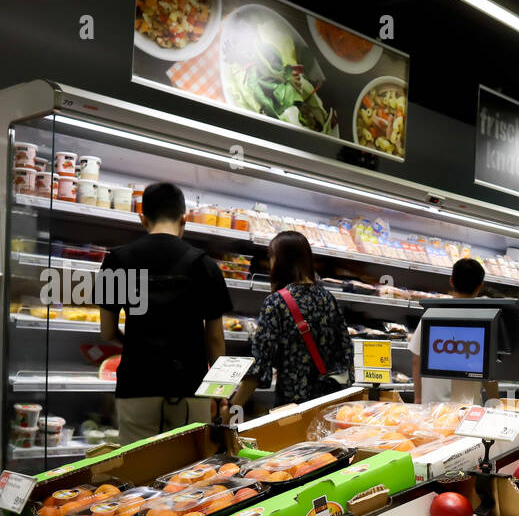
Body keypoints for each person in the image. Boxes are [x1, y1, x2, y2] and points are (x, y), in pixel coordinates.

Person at [99, 182, 233, 444]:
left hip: (137, 386)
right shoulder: (204, 265)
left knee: (139, 471)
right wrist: (221, 393)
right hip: (190, 389)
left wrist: (134, 343)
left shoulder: (118, 261)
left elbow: (107, 332)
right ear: (184, 219)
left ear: (142, 219)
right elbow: (215, 339)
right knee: (189, 476)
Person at [232, 230, 352, 411]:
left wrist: (232, 407)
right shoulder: (328, 298)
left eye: (272, 258)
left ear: (281, 262)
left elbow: (259, 368)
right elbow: (346, 351)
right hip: (328, 404)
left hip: (291, 407)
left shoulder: (276, 302)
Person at [410, 257, 485, 404]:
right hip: (468, 407)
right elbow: (489, 368)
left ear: (451, 280)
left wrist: (418, 398)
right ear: (480, 287)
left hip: (432, 404)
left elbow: (416, 360)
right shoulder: (484, 319)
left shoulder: (432, 314)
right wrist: (494, 400)